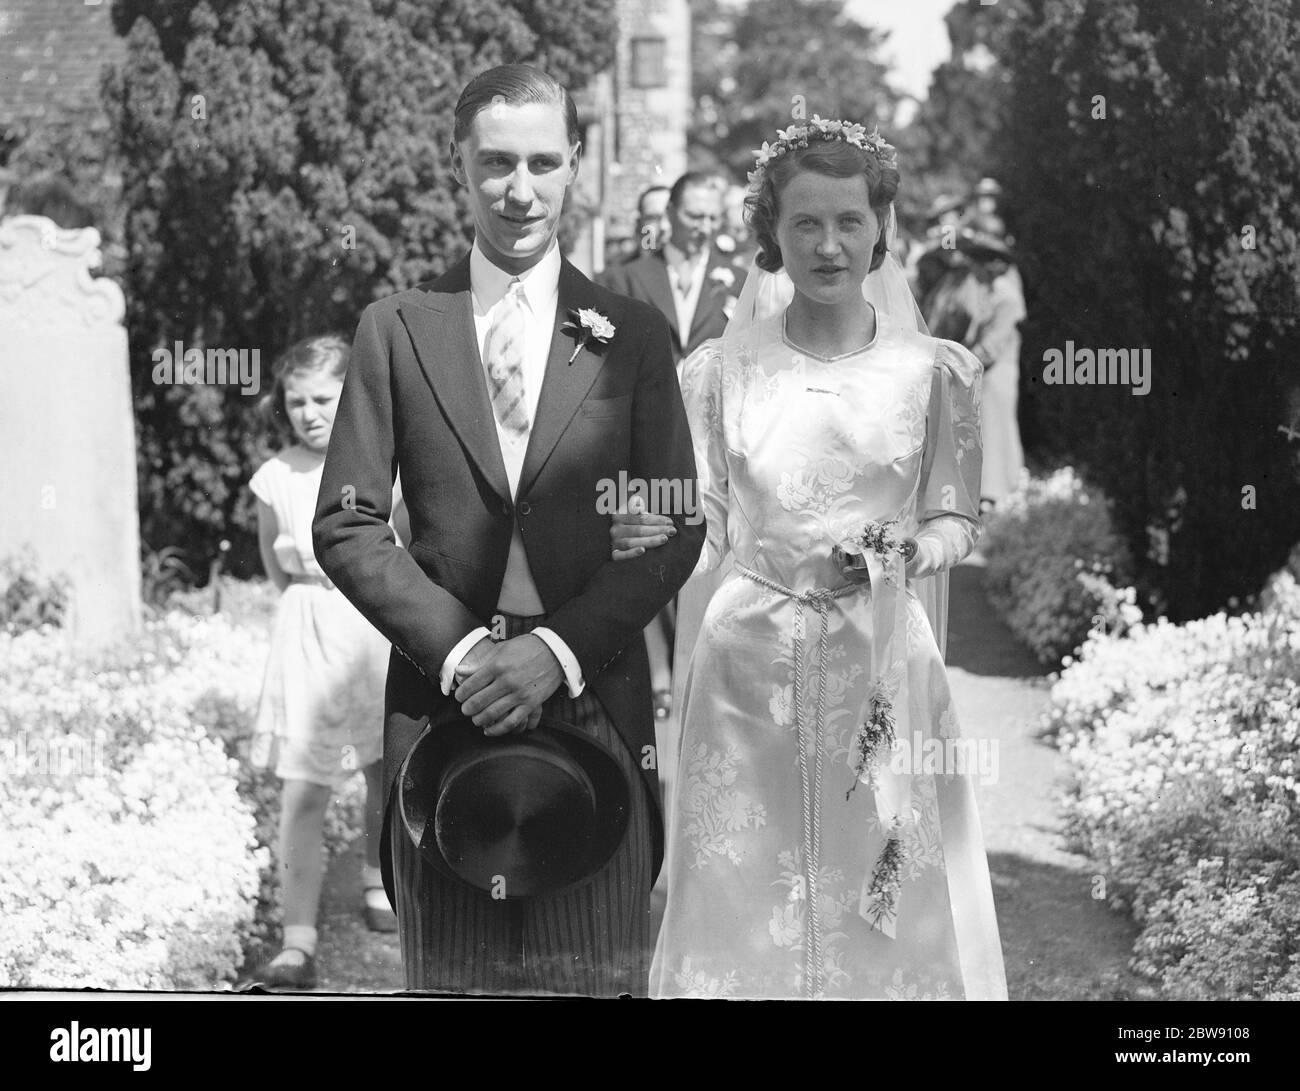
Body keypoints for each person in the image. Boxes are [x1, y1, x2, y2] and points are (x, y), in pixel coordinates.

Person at [312, 63, 704, 997]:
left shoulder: (633, 334)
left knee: (595, 979)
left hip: (595, 696)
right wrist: (463, 654)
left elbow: (678, 523)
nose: (518, 190)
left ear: (573, 164)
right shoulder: (398, 328)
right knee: (455, 985)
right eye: (494, 163)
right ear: (458, 165)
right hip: (447, 712)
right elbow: (347, 521)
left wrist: (557, 651)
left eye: (539, 161)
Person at [612, 118, 1007, 999]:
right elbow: (707, 513)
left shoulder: (936, 373)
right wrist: (656, 525)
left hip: (883, 656)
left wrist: (910, 546)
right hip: (746, 661)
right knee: (745, 879)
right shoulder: (717, 371)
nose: (829, 245)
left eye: (849, 222)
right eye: (805, 225)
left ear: (881, 230)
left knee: (888, 870)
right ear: (771, 235)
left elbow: (955, 515)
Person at [244, 334, 405, 991]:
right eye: (297, 400)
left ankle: (377, 879)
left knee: (379, 768)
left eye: (324, 399)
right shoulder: (274, 478)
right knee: (304, 787)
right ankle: (298, 938)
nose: (310, 412)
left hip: (369, 629)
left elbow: (403, 549)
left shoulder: (381, 469)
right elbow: (275, 567)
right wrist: (307, 611)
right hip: (308, 631)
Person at [599, 171, 748, 368]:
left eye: (713, 218)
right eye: (694, 216)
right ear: (670, 212)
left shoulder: (740, 281)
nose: (704, 228)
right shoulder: (624, 279)